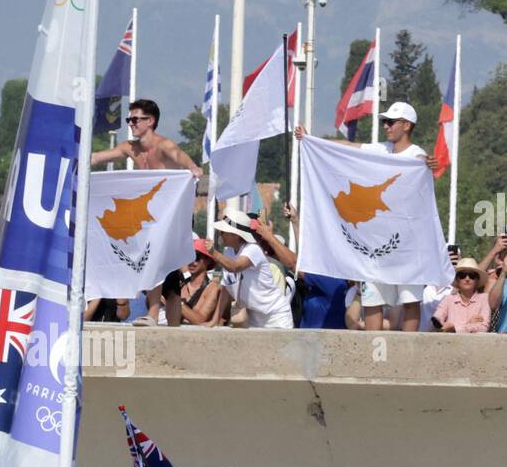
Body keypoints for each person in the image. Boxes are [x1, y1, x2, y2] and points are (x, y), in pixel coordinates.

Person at [296, 103, 441, 333]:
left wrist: (430, 164)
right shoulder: (381, 149)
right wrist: (313, 140)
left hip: (407, 247)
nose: (386, 126)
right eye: (385, 121)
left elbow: (428, 164)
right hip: (375, 244)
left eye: (391, 122)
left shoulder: (416, 155)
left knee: (410, 300)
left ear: (406, 125)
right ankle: (373, 354)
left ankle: (409, 354)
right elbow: (349, 147)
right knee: (372, 299)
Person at [91, 100, 202, 324]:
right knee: (170, 283)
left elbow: (180, 156)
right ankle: (169, 326)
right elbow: (96, 157)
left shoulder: (163, 145)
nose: (130, 124)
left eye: (135, 119)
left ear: (150, 121)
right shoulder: (130, 148)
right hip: (150, 219)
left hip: (171, 215)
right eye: (129, 120)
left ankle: (152, 315)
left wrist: (192, 167)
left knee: (155, 258)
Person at [210, 209, 294, 329]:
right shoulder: (228, 252)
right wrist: (215, 320)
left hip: (276, 316)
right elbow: (226, 288)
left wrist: (214, 253)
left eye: (223, 231)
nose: (220, 234)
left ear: (235, 234)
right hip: (252, 317)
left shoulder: (253, 249)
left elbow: (235, 267)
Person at [162, 240, 222, 327]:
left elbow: (200, 320)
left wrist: (175, 302)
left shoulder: (212, 288)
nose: (191, 262)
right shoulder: (181, 285)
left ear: (208, 260)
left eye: (196, 257)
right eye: (188, 257)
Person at [432, 258, 497, 333]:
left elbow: (483, 327)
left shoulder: (485, 298)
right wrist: (469, 324)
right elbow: (437, 321)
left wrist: (453, 328)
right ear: (457, 279)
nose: (467, 278)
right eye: (462, 275)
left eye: (472, 275)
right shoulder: (448, 299)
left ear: (477, 280)